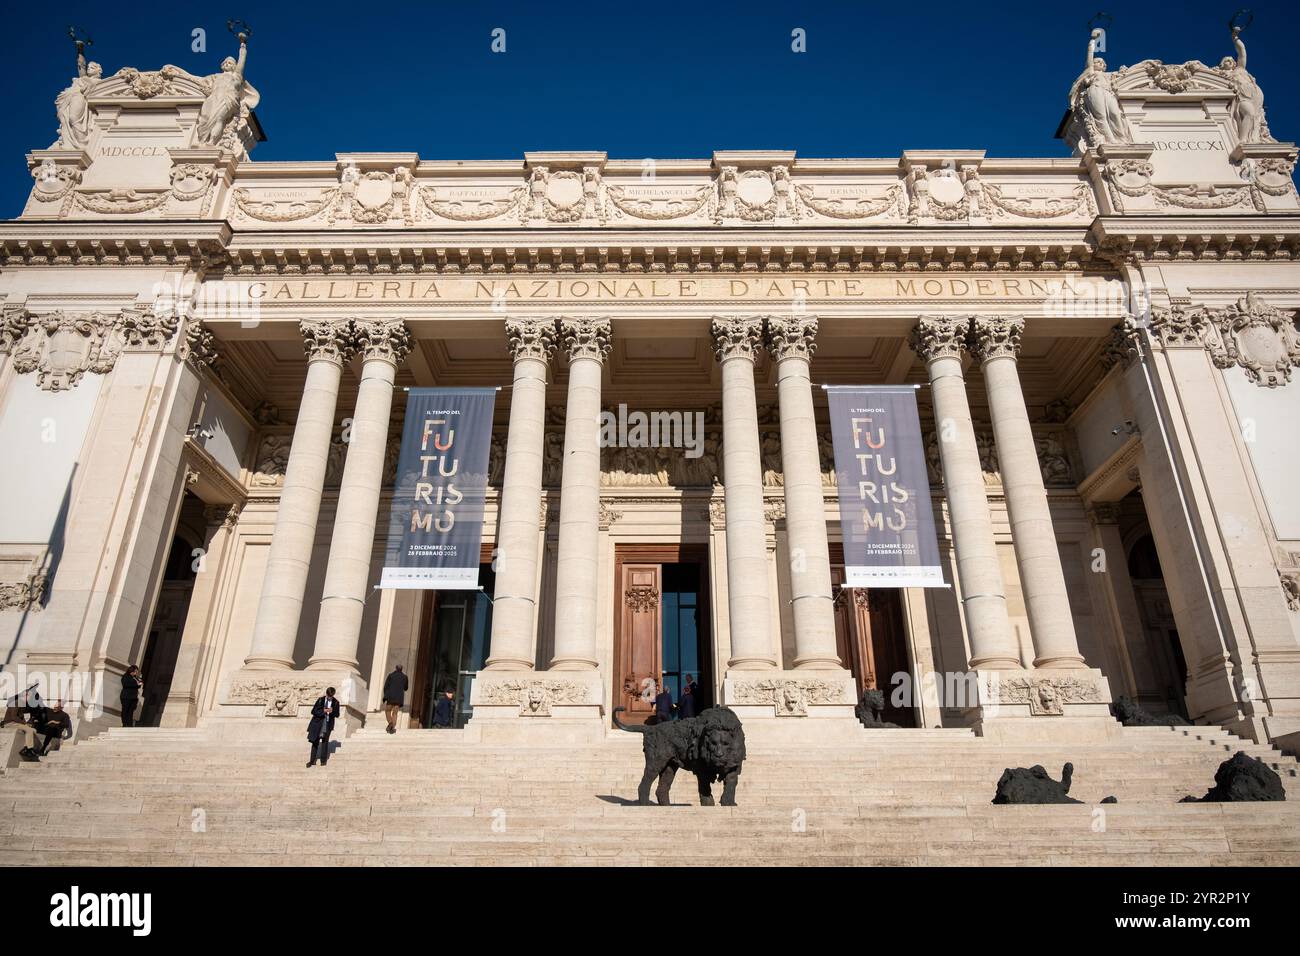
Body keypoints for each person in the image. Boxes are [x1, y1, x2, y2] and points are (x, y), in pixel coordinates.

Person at [307, 687, 339, 767]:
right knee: (315, 741)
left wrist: (332, 711)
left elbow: (337, 714)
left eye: (331, 696)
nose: (329, 697)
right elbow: (313, 711)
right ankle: (312, 761)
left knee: (325, 742)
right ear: (326, 694)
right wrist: (323, 711)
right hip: (318, 723)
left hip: (328, 724)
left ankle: (323, 761)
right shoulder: (320, 700)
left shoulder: (336, 702)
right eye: (328, 696)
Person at [382, 663, 408, 735]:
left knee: (387, 711)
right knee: (395, 713)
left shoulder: (391, 676)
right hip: (398, 699)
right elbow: (406, 688)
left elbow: (386, 686)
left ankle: (390, 723)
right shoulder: (405, 677)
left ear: (396, 668)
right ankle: (392, 727)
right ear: (401, 669)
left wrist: (385, 696)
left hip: (390, 697)